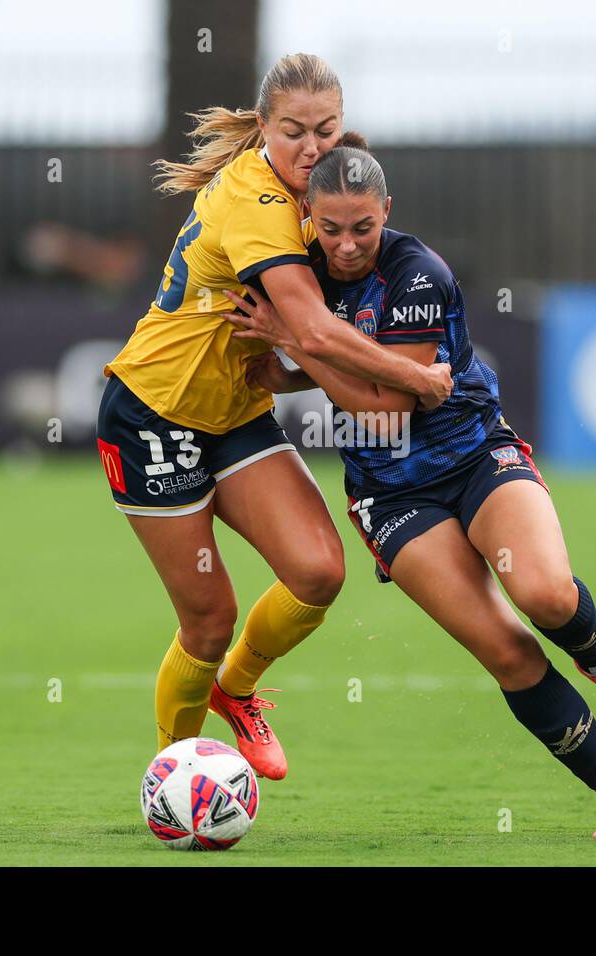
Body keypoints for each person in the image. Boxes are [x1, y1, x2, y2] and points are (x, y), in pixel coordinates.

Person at [224, 137, 596, 838]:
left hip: (473, 456)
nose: (347, 245)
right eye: (332, 228)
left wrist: (299, 340)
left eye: (363, 227)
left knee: (545, 594)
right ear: (308, 216)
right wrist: (280, 360)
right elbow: (314, 371)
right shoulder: (299, 275)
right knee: (507, 650)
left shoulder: (417, 275)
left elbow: (387, 407)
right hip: (390, 495)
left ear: (387, 211)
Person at [96, 54, 454, 781]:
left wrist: (299, 369)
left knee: (318, 572)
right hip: (154, 414)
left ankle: (235, 689)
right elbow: (315, 330)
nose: (312, 147)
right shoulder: (258, 202)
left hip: (234, 411)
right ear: (264, 127)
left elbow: (310, 337)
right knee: (209, 620)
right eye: (294, 131)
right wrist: (418, 377)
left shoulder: (323, 196)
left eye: (326, 130)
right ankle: (173, 781)